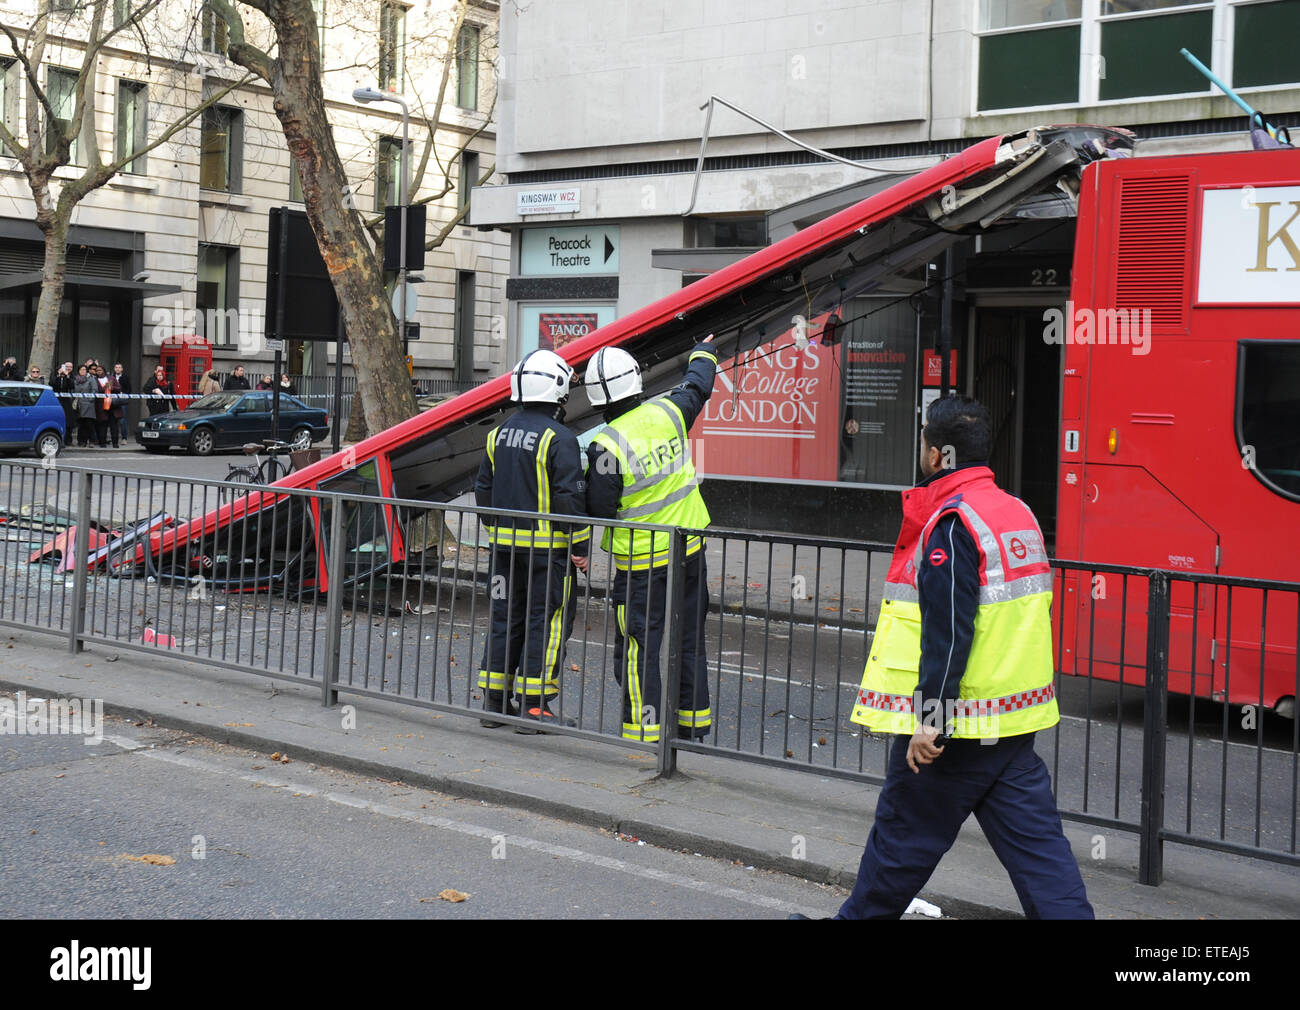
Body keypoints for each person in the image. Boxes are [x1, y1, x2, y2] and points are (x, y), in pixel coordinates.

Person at [832, 395, 1092, 920]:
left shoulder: (953, 523)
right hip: (1015, 726)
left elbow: (948, 631)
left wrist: (932, 721)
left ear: (937, 455)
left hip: (958, 732)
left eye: (925, 440)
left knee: (897, 853)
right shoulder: (1017, 512)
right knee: (1043, 862)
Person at [584, 336, 717, 743]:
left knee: (641, 648)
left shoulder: (605, 445)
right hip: (690, 552)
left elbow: (599, 511)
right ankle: (691, 726)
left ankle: (643, 731)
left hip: (641, 567)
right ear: (637, 383)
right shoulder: (669, 411)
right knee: (689, 638)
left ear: (597, 401)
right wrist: (703, 352)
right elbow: (697, 385)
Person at [475, 349, 590, 732]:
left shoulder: (497, 434)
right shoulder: (561, 439)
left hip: (504, 551)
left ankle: (494, 702)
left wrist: (497, 533)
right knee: (548, 621)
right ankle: (535, 708)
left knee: (505, 618)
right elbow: (569, 499)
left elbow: (483, 491)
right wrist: (580, 548)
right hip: (547, 553)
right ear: (557, 388)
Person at [95, 365, 122, 448]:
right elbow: (95, 390)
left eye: (100, 370)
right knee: (102, 424)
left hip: (113, 406)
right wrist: (105, 388)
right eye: (97, 370)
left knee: (114, 425)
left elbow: (119, 388)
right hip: (101, 406)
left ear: (104, 370)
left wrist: (111, 387)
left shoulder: (111, 378)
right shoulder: (95, 380)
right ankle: (102, 443)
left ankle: (115, 443)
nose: (99, 372)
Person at [72, 364, 99, 448]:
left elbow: (95, 390)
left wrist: (89, 400)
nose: (82, 371)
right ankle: (81, 441)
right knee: (81, 424)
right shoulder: (76, 380)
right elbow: (73, 390)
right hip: (79, 404)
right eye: (81, 370)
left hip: (88, 405)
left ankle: (91, 441)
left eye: (84, 369)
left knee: (89, 424)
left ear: (87, 371)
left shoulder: (91, 379)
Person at [52, 362, 76, 433]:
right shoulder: (55, 376)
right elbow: (52, 384)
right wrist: (58, 375)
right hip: (56, 400)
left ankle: (68, 439)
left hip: (67, 401)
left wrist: (67, 376)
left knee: (68, 420)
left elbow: (72, 386)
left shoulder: (70, 376)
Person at [112, 363, 132, 442]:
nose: (118, 369)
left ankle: (124, 438)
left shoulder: (126, 377)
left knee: (122, 420)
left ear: (122, 369)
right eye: (116, 367)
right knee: (112, 419)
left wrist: (123, 393)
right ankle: (114, 438)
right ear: (114, 368)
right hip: (112, 400)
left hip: (121, 401)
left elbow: (129, 389)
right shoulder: (111, 377)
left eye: (119, 367)